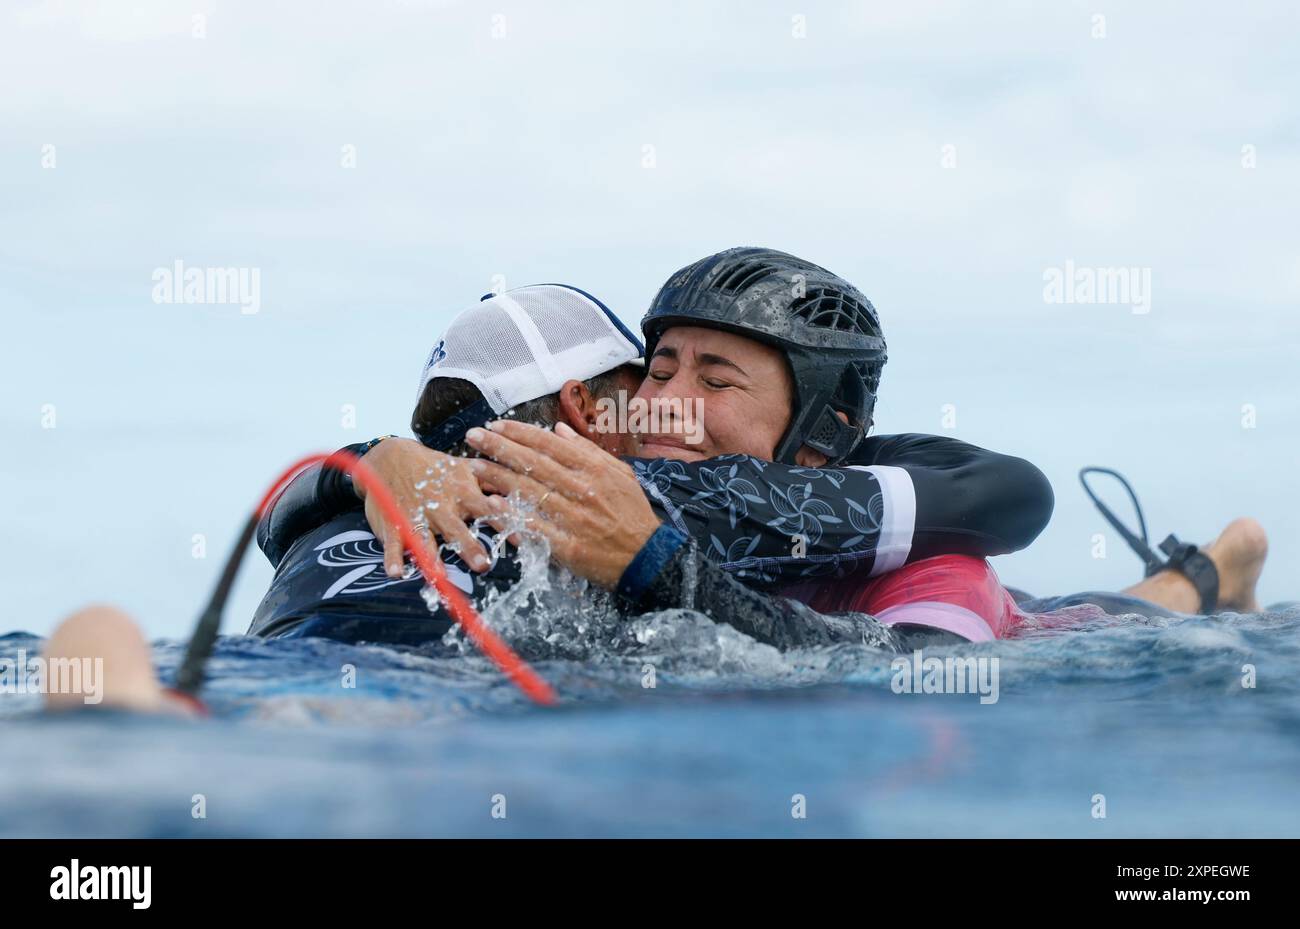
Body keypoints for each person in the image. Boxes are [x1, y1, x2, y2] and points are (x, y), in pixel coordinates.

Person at [252, 274, 1054, 648]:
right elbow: (1011, 496)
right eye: (658, 371)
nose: (666, 402)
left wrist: (362, 460)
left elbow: (274, 512)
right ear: (585, 410)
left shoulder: (342, 505)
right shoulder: (661, 497)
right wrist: (660, 567)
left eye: (715, 378)